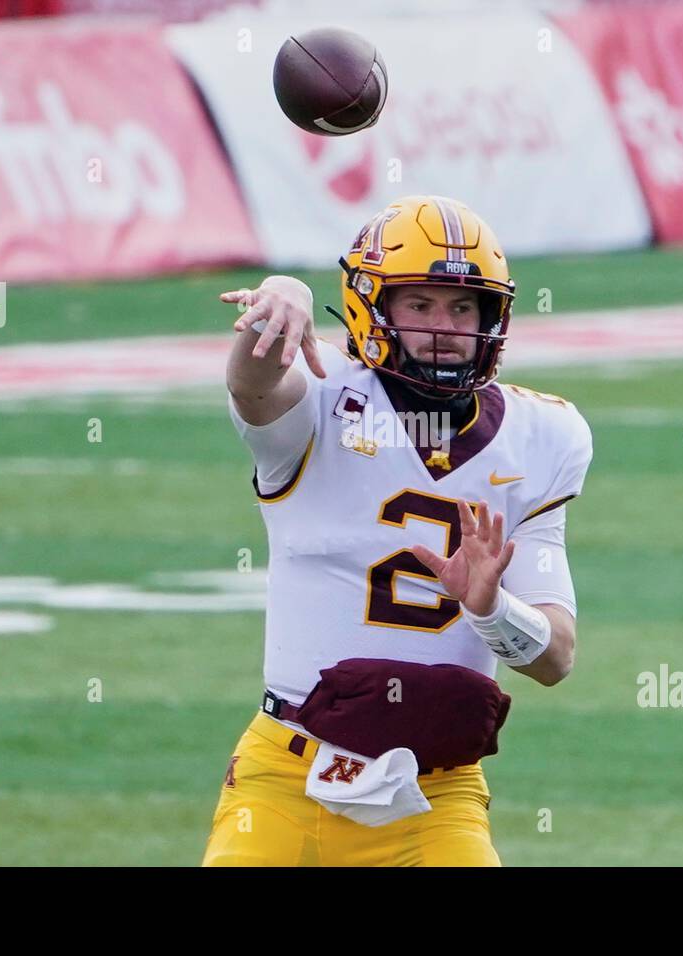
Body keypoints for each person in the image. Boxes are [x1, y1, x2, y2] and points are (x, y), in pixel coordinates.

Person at [202, 194, 593, 866]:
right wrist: (279, 302)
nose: (445, 327)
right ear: (373, 307)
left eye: (463, 307)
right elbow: (254, 387)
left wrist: (492, 609)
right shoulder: (322, 395)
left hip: (435, 795)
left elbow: (556, 659)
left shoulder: (544, 435)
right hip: (287, 780)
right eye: (420, 305)